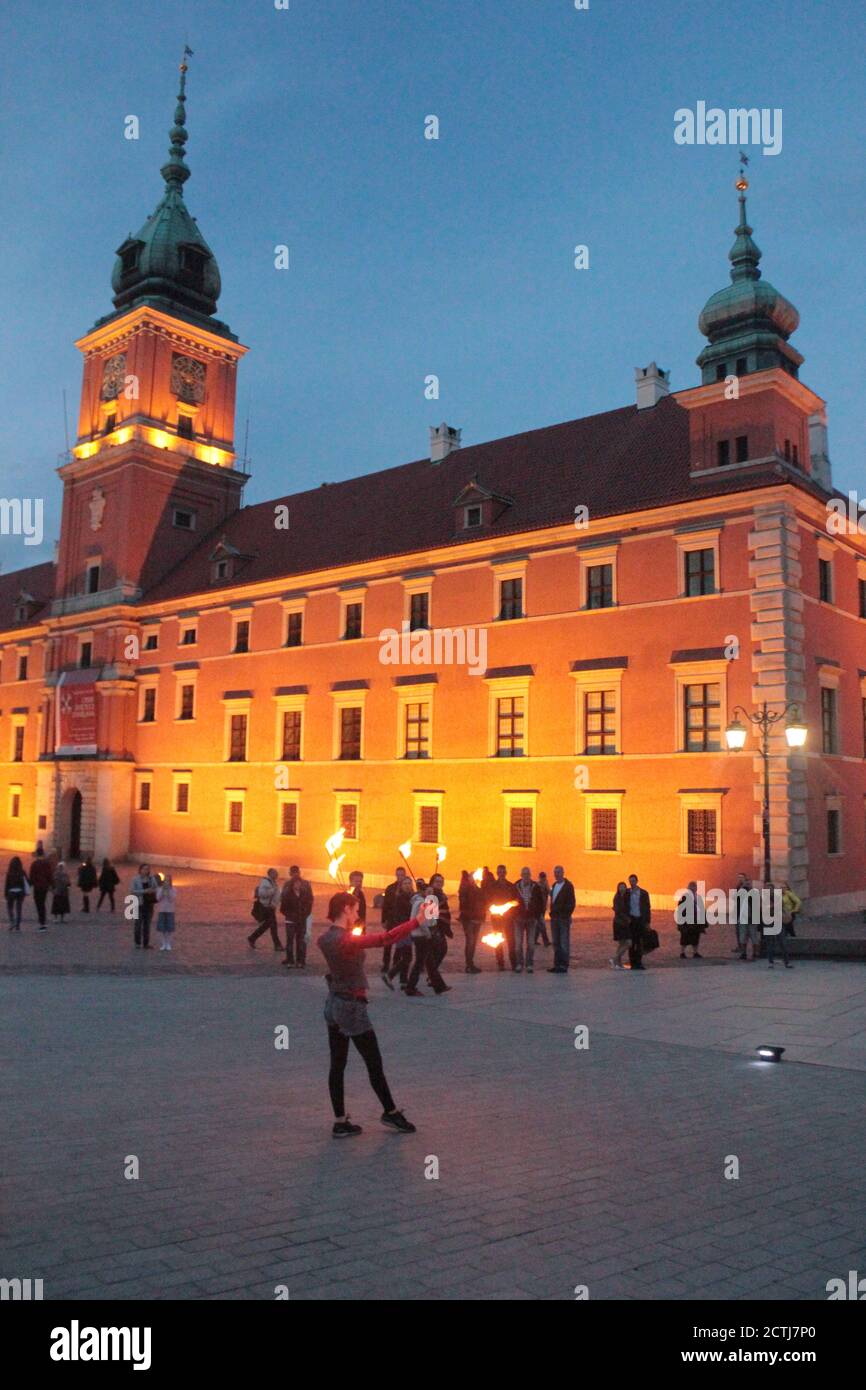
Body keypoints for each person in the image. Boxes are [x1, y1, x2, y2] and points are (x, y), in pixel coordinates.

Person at [318, 888, 430, 1137]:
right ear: (345, 909)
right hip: (351, 1009)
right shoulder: (345, 940)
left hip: (333, 1005)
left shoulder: (326, 938)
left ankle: (340, 1121)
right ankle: (390, 1113)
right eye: (355, 909)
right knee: (374, 1063)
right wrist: (417, 921)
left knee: (338, 1064)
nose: (357, 913)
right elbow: (385, 939)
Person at [405, 878, 447, 996]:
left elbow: (432, 919)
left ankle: (439, 986)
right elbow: (421, 921)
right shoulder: (420, 903)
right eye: (428, 892)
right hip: (421, 936)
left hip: (421, 935)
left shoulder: (425, 902)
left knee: (429, 961)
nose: (431, 894)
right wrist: (428, 934)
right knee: (420, 962)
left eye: (432, 892)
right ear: (423, 892)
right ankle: (411, 987)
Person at [384, 874, 416, 989]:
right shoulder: (401, 898)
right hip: (403, 930)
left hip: (408, 929)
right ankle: (390, 975)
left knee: (404, 955)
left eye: (409, 883)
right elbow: (409, 910)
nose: (408, 886)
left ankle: (403, 981)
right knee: (408, 957)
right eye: (405, 884)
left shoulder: (411, 897)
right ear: (401, 886)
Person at [281, 865, 314, 968]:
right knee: (291, 941)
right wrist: (290, 915)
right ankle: (291, 960)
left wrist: (306, 913)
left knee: (300, 941)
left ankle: (300, 961)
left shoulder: (304, 886)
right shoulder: (288, 887)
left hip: (301, 919)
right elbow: (283, 905)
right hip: (291, 920)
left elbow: (309, 901)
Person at [486, 865, 518, 971]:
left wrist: (511, 907)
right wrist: (492, 908)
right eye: (499, 872)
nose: (501, 874)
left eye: (503, 872)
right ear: (497, 873)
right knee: (497, 939)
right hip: (496, 917)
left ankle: (513, 962)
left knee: (511, 940)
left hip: (508, 917)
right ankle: (500, 963)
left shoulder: (511, 886)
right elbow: (488, 899)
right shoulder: (492, 886)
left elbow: (515, 900)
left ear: (506, 873)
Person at [380, 866, 409, 982]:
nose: (400, 877)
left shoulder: (407, 889)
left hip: (402, 921)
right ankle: (385, 964)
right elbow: (385, 905)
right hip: (392, 919)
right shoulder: (390, 888)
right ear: (396, 875)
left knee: (399, 944)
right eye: (399, 875)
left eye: (402, 875)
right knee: (388, 943)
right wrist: (384, 920)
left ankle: (395, 963)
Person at [514, 867, 545, 973]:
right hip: (518, 919)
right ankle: (519, 963)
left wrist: (538, 915)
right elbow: (511, 901)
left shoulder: (535, 887)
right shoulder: (516, 886)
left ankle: (529, 964)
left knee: (531, 943)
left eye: (528, 874)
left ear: (530, 875)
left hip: (531, 919)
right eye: (524, 874)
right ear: (521, 875)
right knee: (518, 943)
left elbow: (541, 902)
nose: (526, 876)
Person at [548, 864, 576, 973]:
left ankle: (564, 964)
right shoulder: (554, 885)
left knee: (564, 942)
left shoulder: (568, 886)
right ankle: (557, 964)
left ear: (563, 873)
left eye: (558, 872)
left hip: (563, 918)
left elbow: (572, 903)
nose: (557, 874)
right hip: (554, 918)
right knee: (556, 942)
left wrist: (566, 914)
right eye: (555, 872)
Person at [427, 873, 453, 987]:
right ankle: (432, 977)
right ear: (432, 882)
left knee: (435, 953)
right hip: (434, 928)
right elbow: (430, 914)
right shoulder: (432, 894)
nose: (439, 883)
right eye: (437, 881)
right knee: (440, 950)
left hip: (440, 927)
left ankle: (432, 977)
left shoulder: (441, 894)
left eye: (441, 881)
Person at [248, 867, 282, 951]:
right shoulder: (266, 882)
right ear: (270, 874)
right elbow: (262, 893)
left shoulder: (273, 882)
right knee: (273, 926)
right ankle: (277, 945)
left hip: (271, 908)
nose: (277, 874)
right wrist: (272, 891)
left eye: (277, 873)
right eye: (275, 873)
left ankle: (252, 938)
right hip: (267, 908)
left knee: (268, 925)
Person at [458, 870, 485, 973]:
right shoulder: (465, 888)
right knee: (470, 941)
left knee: (473, 943)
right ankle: (469, 965)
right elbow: (463, 903)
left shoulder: (478, 889)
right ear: (469, 878)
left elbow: (482, 902)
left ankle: (470, 963)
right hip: (468, 919)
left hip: (477, 919)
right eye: (472, 877)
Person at [130, 863, 159, 949]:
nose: (146, 871)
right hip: (138, 904)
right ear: (140, 870)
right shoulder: (135, 879)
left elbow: (156, 888)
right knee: (138, 925)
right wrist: (144, 891)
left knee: (147, 925)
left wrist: (152, 891)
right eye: (144, 869)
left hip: (149, 904)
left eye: (147, 869)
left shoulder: (151, 879)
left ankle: (146, 943)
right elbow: (132, 891)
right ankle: (137, 943)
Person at [765, 881, 793, 969]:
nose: (769, 890)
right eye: (767, 889)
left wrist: (772, 907)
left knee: (782, 942)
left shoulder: (777, 897)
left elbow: (780, 906)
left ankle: (786, 962)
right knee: (770, 943)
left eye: (770, 889)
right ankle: (771, 962)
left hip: (778, 921)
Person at [626, 873, 651, 971]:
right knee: (631, 942)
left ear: (637, 881)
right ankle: (632, 962)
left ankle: (639, 962)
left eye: (633, 881)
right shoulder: (627, 893)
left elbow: (648, 908)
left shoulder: (644, 893)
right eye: (630, 881)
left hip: (640, 920)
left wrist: (648, 921)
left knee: (640, 942)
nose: (631, 883)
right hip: (631, 920)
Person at [733, 873, 760, 961]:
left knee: (753, 936)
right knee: (742, 936)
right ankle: (743, 953)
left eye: (748, 883)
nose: (747, 885)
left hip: (752, 918)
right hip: (743, 917)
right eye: (746, 883)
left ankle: (755, 953)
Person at [676, 880, 706, 959]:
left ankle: (695, 952)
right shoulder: (684, 897)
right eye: (691, 887)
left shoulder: (698, 897)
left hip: (696, 921)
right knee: (685, 937)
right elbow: (680, 909)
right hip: (687, 920)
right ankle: (682, 953)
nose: (693, 888)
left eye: (694, 887)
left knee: (696, 937)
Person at [29, 847, 53, 929]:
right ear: (43, 854)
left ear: (37, 854)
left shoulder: (34, 864)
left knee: (38, 903)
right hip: (44, 886)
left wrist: (29, 884)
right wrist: (52, 885)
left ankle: (42, 921)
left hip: (37, 886)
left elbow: (32, 876)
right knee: (42, 903)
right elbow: (50, 875)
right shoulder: (47, 864)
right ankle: (43, 921)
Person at [610, 880, 631, 969]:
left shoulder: (626, 897)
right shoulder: (617, 898)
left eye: (624, 887)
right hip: (619, 923)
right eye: (620, 887)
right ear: (618, 888)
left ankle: (618, 963)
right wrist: (627, 919)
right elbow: (618, 911)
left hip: (624, 923)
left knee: (622, 944)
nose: (622, 888)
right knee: (628, 943)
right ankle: (615, 959)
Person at [5, 856, 29, 931]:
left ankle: (12, 921)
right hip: (20, 892)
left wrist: (5, 894)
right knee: (19, 909)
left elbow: (7, 884)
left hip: (11, 891)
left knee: (10, 907)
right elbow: (28, 881)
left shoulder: (9, 872)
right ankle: (18, 925)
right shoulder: (22, 871)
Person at [156, 873, 177, 951]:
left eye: (168, 881)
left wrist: (168, 892)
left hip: (170, 910)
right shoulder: (159, 889)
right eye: (165, 881)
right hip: (161, 910)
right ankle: (163, 943)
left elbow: (172, 899)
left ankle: (168, 943)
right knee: (162, 928)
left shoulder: (173, 889)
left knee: (169, 928)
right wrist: (162, 891)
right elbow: (158, 898)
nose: (166, 882)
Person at [535, 871, 551, 948]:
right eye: (542, 878)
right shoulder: (537, 886)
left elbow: (549, 893)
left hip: (543, 908)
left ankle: (534, 940)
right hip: (538, 908)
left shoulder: (544, 885)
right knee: (542, 924)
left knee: (539, 925)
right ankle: (546, 941)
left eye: (544, 878)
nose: (543, 879)